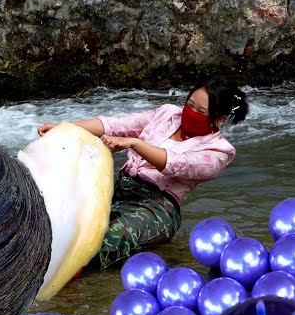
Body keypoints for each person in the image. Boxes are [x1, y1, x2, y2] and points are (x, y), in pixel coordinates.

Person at [38, 77, 249, 270]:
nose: (191, 112)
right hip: (120, 188)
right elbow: (115, 125)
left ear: (219, 118)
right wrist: (64, 128)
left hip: (156, 207)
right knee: (63, 218)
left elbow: (177, 164)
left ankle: (54, 274)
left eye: (201, 111)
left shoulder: (220, 151)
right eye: (190, 104)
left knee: (109, 239)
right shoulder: (168, 114)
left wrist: (134, 143)